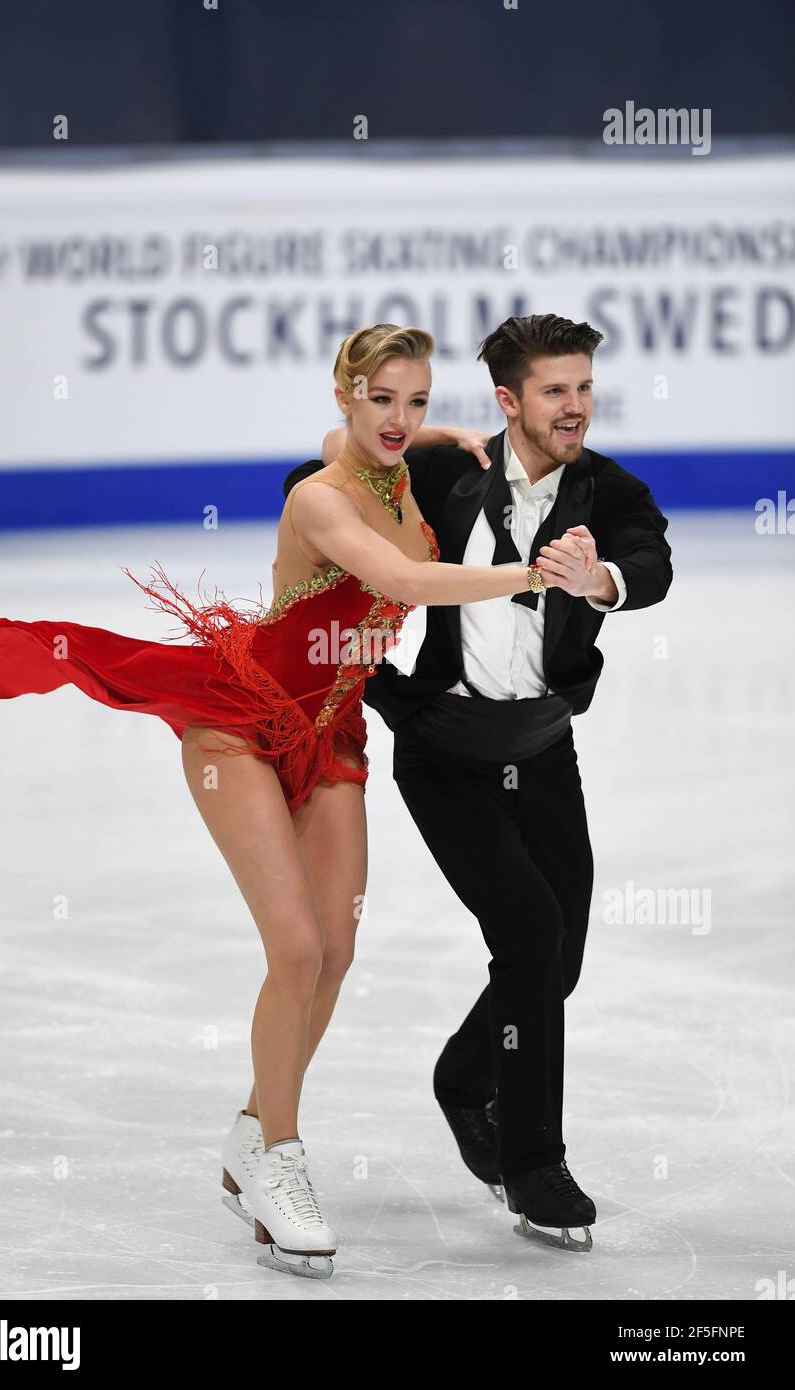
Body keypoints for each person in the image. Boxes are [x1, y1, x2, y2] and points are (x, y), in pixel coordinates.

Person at [0, 323, 577, 1280]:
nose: (400, 418)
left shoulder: (398, 469)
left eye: (415, 400)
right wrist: (531, 574)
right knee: (295, 946)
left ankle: (252, 1128)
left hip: (333, 731)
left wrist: (447, 434)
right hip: (241, 723)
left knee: (337, 951)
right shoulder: (319, 498)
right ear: (342, 398)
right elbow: (403, 580)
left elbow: (403, 452)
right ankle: (280, 1162)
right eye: (380, 399)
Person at [284, 313, 674, 1253]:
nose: (575, 406)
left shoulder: (607, 490)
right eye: (554, 390)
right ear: (510, 401)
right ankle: (535, 1160)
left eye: (583, 387)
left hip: (541, 749)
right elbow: (318, 478)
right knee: (530, 931)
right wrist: (387, 695)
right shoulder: (444, 473)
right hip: (446, 756)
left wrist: (601, 579)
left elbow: (652, 563)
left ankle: (465, 1078)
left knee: (560, 952)